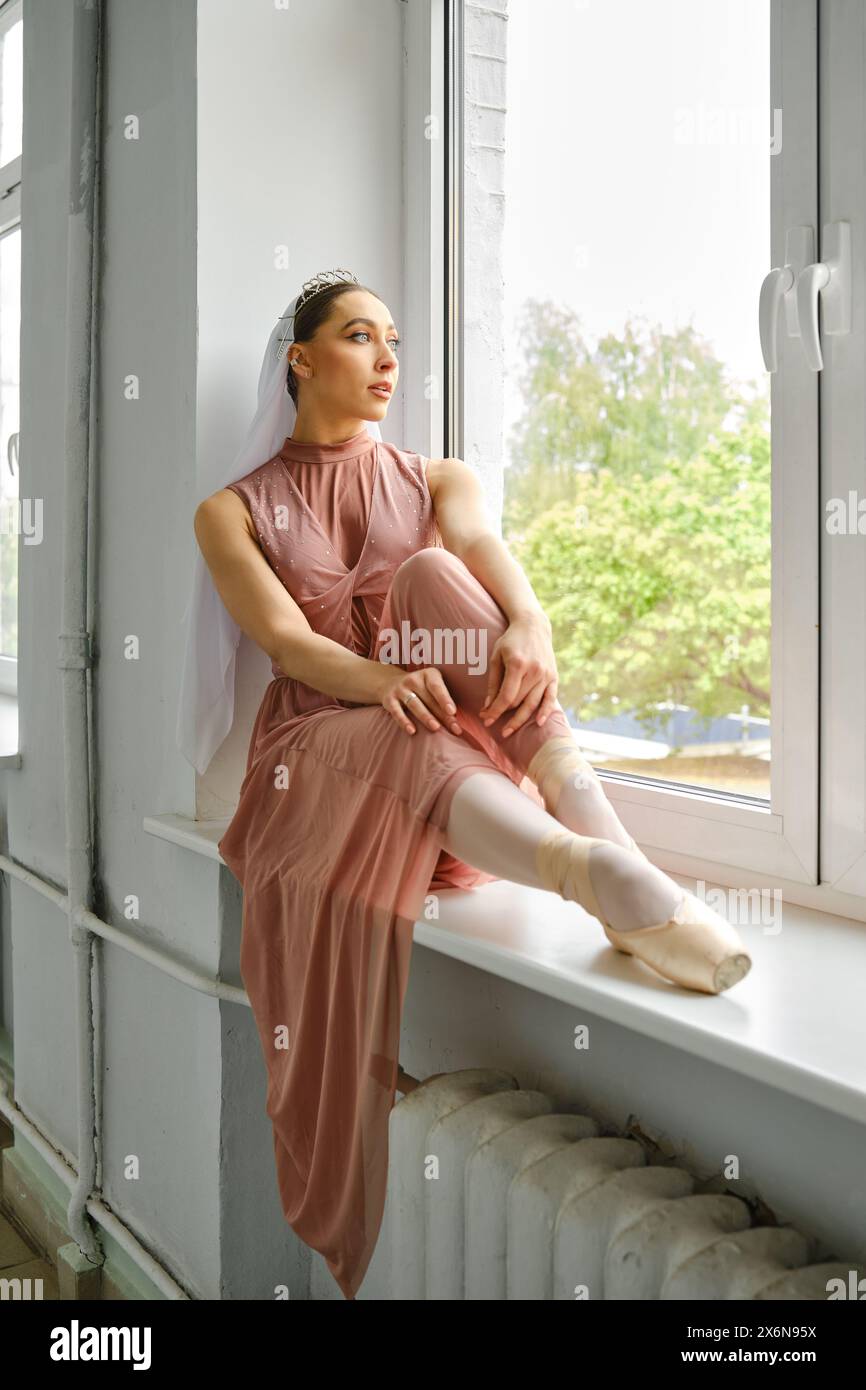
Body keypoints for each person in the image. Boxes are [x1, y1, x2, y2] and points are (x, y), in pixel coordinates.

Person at [189, 269, 752, 1300]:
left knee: (433, 579)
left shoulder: (438, 477)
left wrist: (529, 621)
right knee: (393, 723)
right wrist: (381, 682)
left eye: (393, 339)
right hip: (317, 744)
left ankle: (598, 837)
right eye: (360, 337)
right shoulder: (231, 509)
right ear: (301, 358)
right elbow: (282, 641)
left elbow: (487, 560)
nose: (387, 358)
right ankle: (585, 872)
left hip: (454, 743)